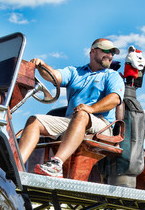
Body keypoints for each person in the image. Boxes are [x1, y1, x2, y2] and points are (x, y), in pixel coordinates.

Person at [19, 38, 126, 177]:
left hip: (103, 126)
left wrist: (91, 109)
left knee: (81, 114)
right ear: (93, 51)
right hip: (74, 120)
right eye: (106, 50)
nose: (110, 55)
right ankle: (17, 166)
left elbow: (115, 98)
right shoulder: (75, 72)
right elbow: (54, 76)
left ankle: (57, 164)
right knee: (34, 120)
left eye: (113, 52)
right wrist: (41, 65)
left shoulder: (112, 75)